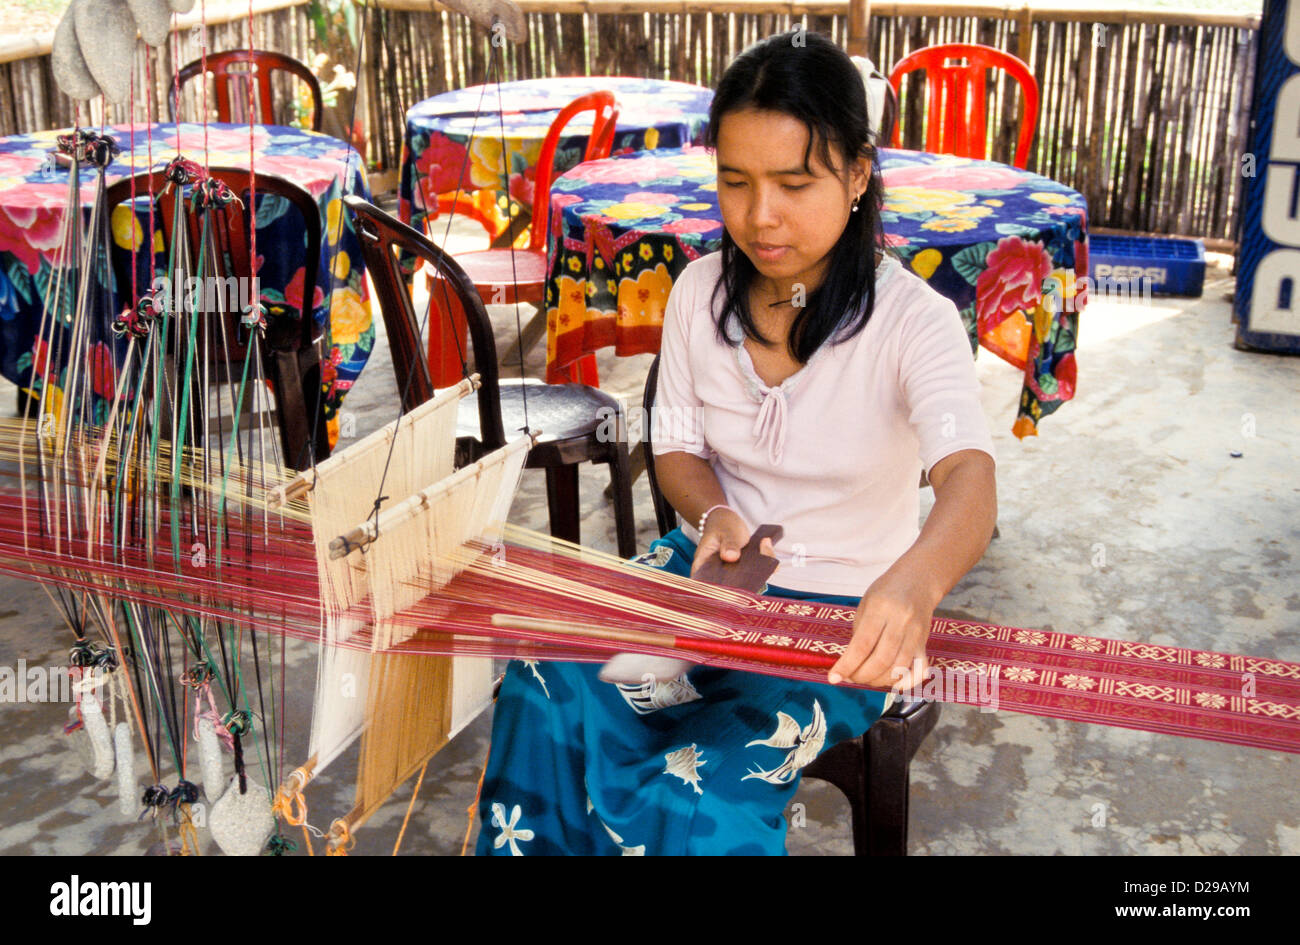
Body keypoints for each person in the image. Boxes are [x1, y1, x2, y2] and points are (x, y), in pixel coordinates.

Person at [475, 29, 997, 856]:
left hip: (844, 621)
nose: (760, 216)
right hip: (704, 580)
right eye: (735, 181)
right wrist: (713, 514)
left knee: (701, 788)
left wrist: (915, 585)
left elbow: (970, 477)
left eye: (794, 183)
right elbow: (679, 452)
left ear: (858, 175)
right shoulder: (699, 293)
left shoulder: (914, 323)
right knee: (544, 683)